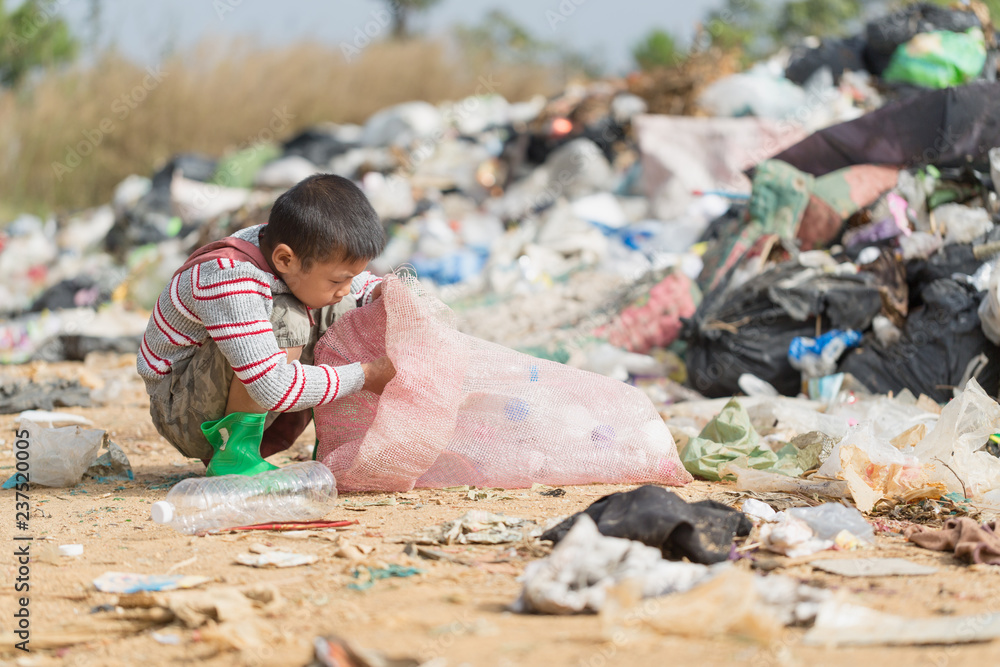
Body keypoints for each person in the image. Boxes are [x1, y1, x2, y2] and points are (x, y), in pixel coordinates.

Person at [137, 174, 396, 476]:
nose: (345, 287)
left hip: (239, 392)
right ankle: (235, 454)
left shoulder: (290, 251)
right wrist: (365, 376)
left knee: (350, 305)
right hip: (184, 412)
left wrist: (381, 292)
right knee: (289, 315)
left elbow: (358, 288)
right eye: (339, 279)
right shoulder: (229, 277)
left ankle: (335, 443)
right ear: (284, 259)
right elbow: (270, 387)